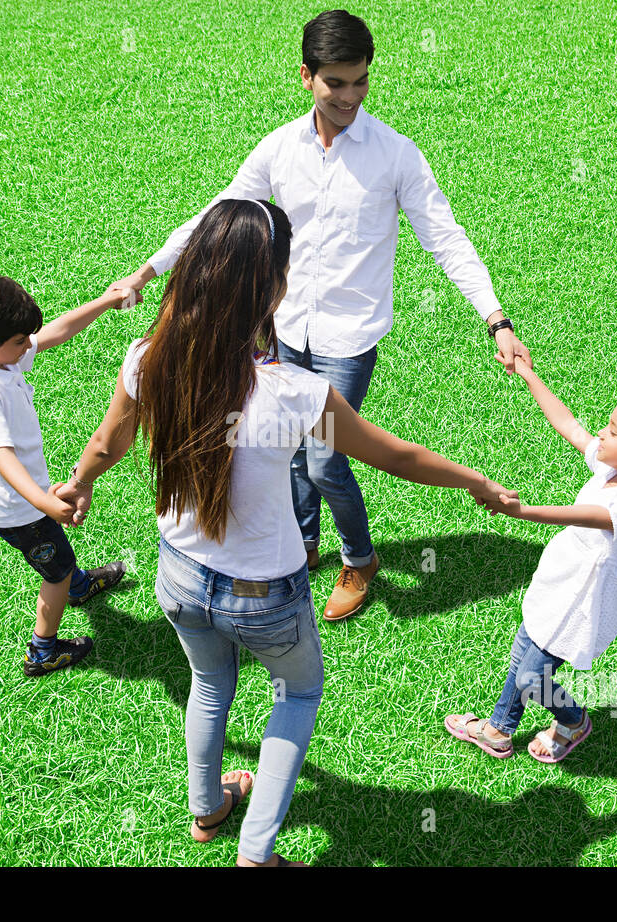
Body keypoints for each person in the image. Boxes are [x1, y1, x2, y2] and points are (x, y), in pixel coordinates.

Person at [54, 199, 517, 865]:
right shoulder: (297, 394)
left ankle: (207, 808)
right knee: (297, 694)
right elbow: (396, 456)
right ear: (271, 286)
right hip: (266, 594)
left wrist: (80, 483)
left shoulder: (146, 359)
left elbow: (106, 443)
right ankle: (257, 854)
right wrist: (473, 480)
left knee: (210, 686)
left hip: (179, 576)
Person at [105, 10, 531, 622]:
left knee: (327, 454)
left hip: (348, 337)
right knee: (287, 442)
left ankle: (358, 558)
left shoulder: (396, 157)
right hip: (279, 327)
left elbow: (446, 238)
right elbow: (220, 214)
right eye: (337, 83)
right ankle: (305, 543)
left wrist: (496, 319)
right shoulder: (279, 149)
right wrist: (148, 271)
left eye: (361, 82)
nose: (351, 97)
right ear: (307, 77)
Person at [448, 355, 617, 761]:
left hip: (585, 597)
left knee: (532, 676)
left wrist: (519, 510)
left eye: (613, 431)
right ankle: (498, 729)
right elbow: (568, 424)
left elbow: (576, 515)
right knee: (525, 643)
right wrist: (529, 374)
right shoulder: (610, 466)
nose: (601, 433)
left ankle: (574, 720)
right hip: (565, 575)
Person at [0, 275, 133, 677]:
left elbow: (50, 335)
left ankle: (79, 587)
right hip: (17, 508)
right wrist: (44, 501)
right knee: (55, 570)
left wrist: (103, 302)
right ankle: (42, 650)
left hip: (26, 499)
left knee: (58, 554)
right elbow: (1, 456)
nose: (27, 346)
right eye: (19, 342)